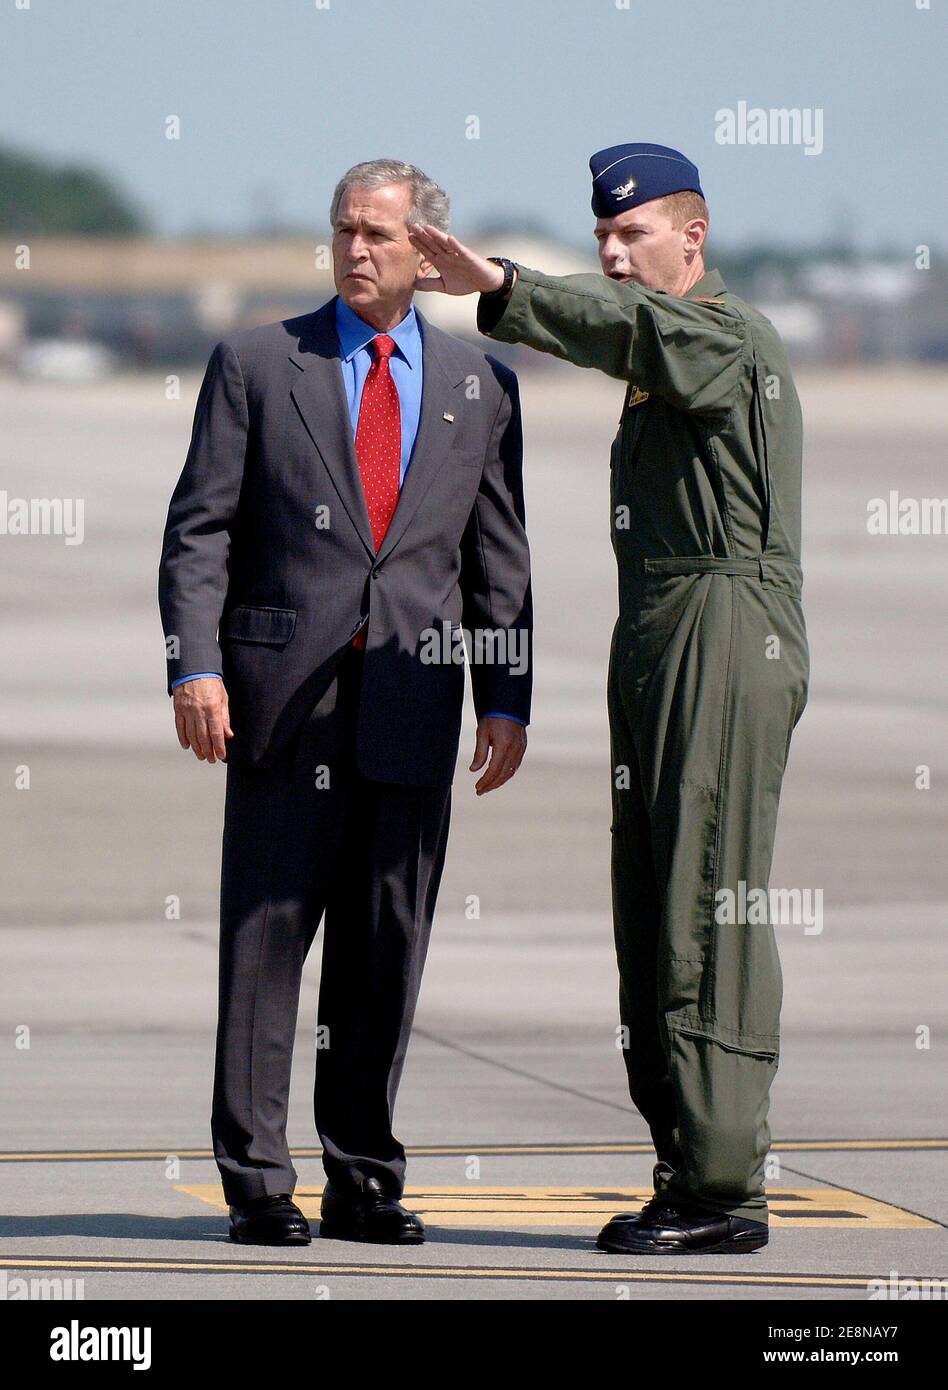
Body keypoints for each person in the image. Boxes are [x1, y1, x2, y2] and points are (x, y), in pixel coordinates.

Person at [409, 141, 809, 1255]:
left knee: (703, 899)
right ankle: (689, 1161)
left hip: (721, 629)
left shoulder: (722, 335)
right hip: (664, 631)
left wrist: (505, 288)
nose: (616, 255)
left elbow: (636, 330)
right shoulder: (668, 349)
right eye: (603, 241)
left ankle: (726, 1187)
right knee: (652, 901)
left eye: (633, 236)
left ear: (696, 234)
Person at [158, 158, 533, 1246]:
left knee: (385, 947)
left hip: (415, 700)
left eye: (378, 234)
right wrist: (195, 665)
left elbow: (498, 560)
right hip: (284, 703)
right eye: (343, 231)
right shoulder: (258, 362)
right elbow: (200, 533)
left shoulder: (480, 385)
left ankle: (364, 1176)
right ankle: (258, 1180)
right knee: (266, 948)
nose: (356, 250)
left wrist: (505, 691)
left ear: (426, 250)